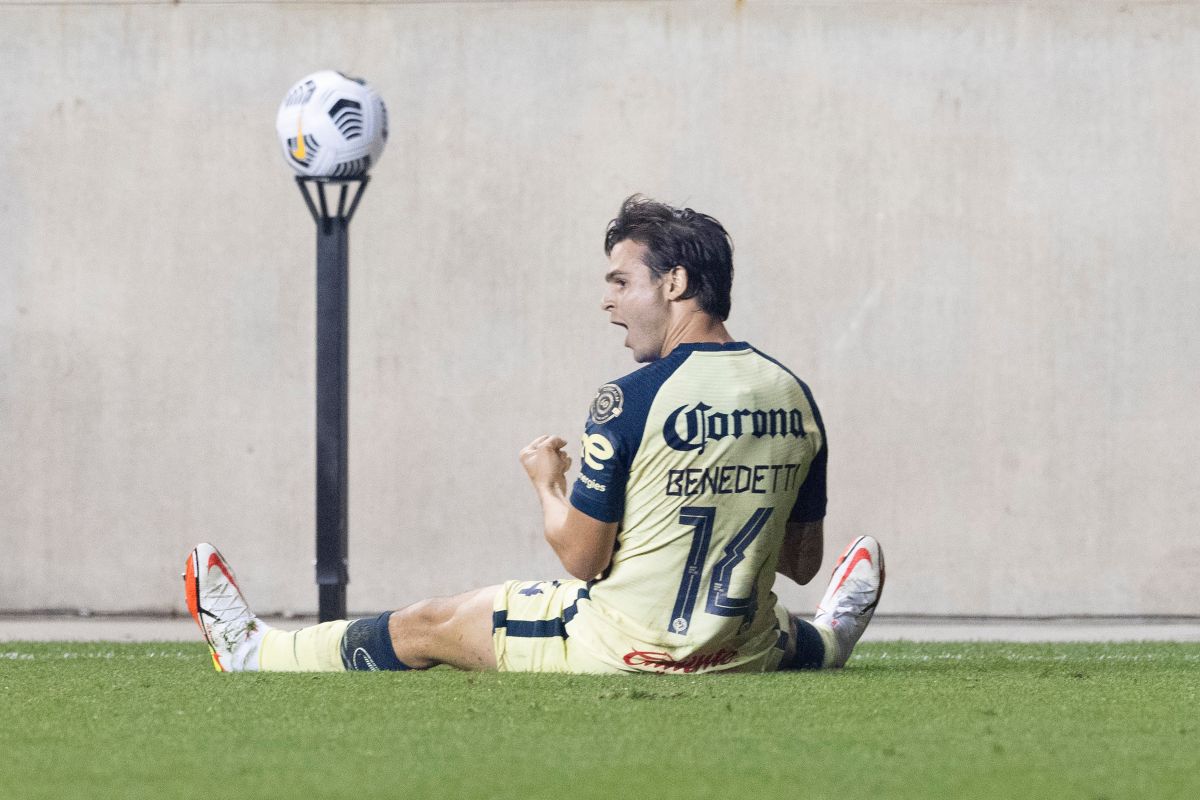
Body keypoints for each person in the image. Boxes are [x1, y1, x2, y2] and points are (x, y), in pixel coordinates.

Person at [184, 195, 884, 675]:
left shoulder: (631, 397)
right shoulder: (794, 394)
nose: (608, 301)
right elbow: (799, 562)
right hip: (742, 649)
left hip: (619, 649)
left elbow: (582, 558)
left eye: (620, 281)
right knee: (777, 624)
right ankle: (829, 639)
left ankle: (253, 653)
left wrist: (549, 485)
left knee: (431, 622)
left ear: (674, 284)